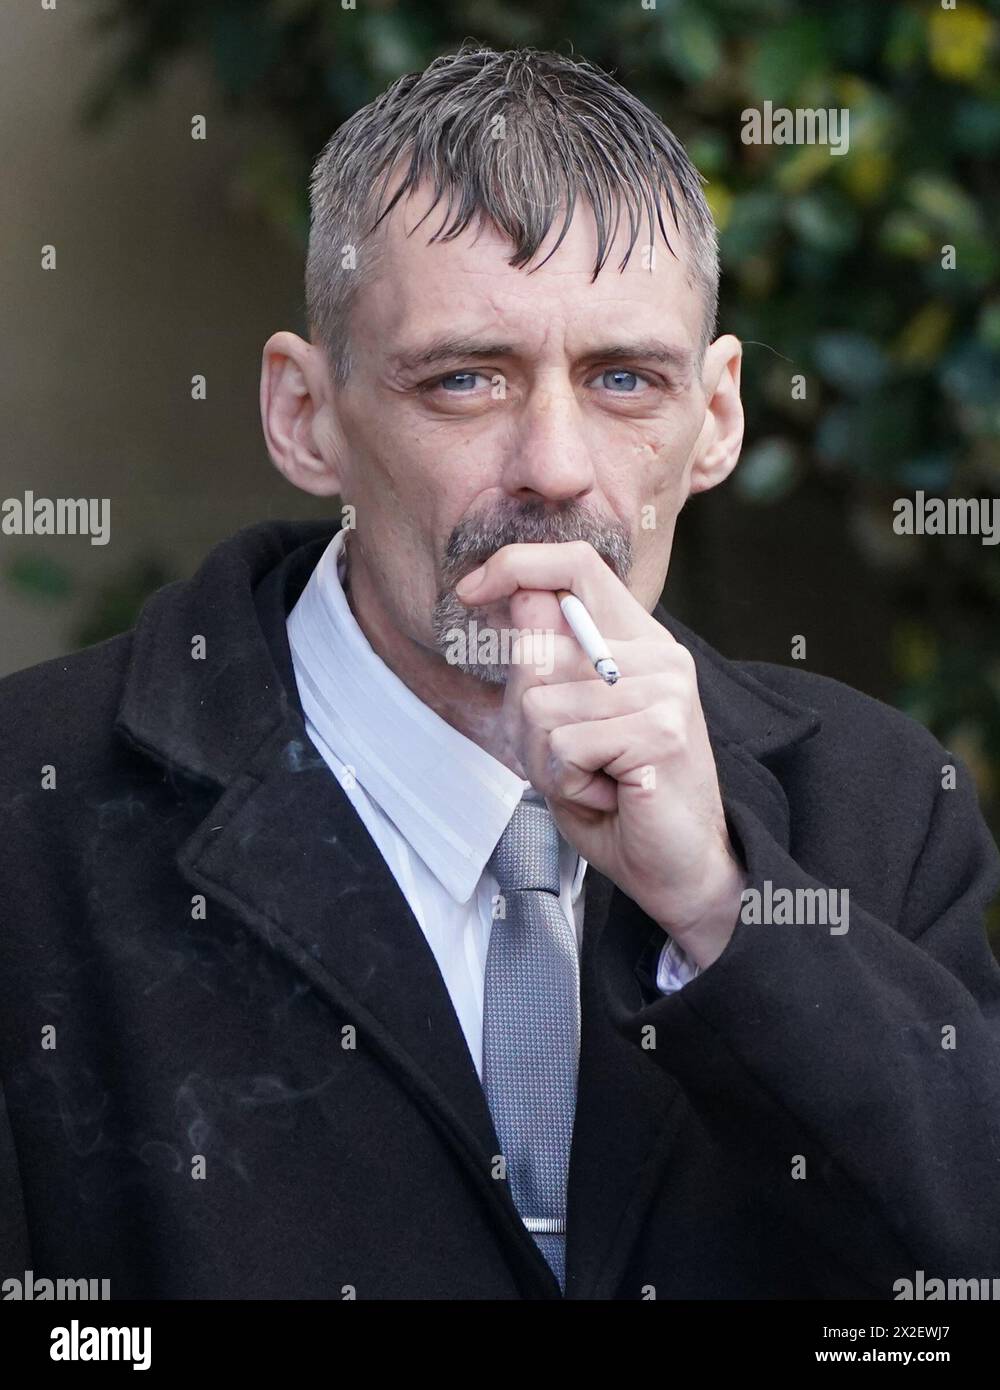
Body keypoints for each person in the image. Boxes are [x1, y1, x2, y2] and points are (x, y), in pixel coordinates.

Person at [1, 43, 998, 1302]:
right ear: (305, 414)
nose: (555, 468)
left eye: (624, 379)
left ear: (719, 420)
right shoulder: (28, 811)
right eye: (465, 379)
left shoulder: (881, 802)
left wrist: (721, 906)